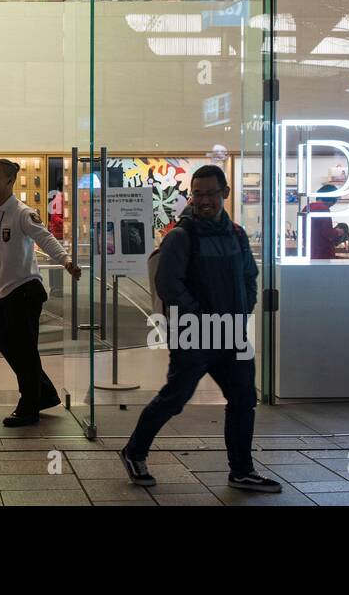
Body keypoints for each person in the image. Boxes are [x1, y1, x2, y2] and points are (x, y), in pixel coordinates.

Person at [121, 164, 281, 493]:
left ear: (225, 193)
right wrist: (199, 316)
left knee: (243, 399)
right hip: (196, 334)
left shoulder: (236, 234)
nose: (203, 200)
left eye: (210, 193)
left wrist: (244, 306)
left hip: (233, 333)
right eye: (197, 194)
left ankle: (241, 471)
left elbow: (249, 275)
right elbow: (169, 284)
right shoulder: (182, 236)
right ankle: (134, 451)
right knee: (174, 398)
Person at [0, 158, 82, 427]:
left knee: (24, 349)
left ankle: (29, 406)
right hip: (5, 292)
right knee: (6, 345)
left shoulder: (23, 213)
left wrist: (66, 261)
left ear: (11, 181)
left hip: (26, 289)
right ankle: (44, 393)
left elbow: (45, 238)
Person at [305, 183, 344, 260]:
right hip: (322, 253)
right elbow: (327, 233)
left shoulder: (307, 207)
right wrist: (338, 232)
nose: (333, 204)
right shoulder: (323, 209)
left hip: (309, 251)